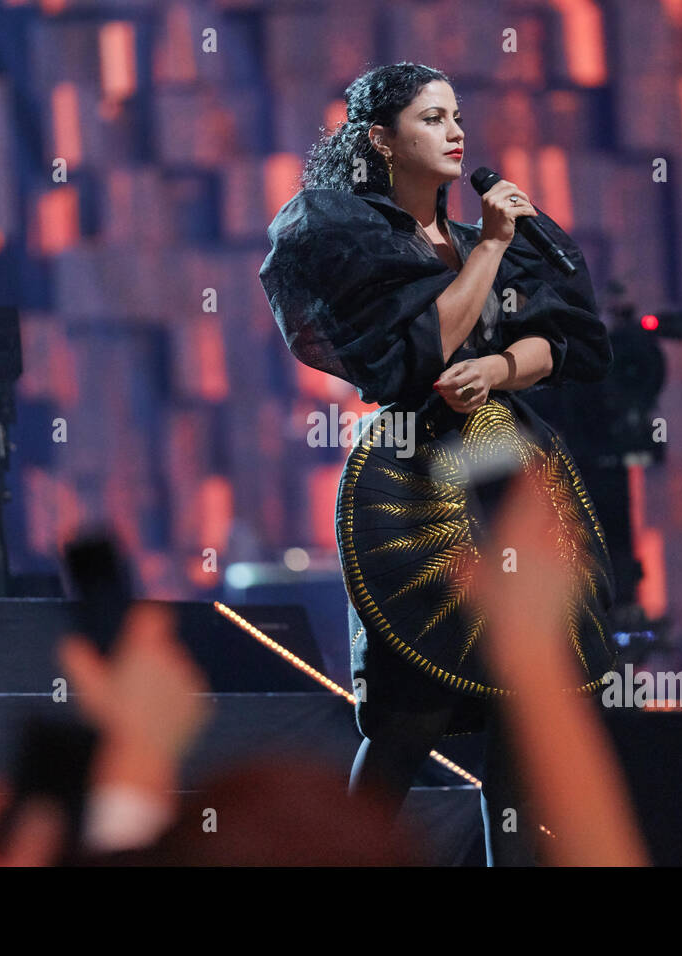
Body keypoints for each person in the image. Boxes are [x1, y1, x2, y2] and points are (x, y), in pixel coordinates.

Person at [258, 62, 618, 865]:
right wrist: (490, 246)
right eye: (431, 118)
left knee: (528, 706)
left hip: (503, 465)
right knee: (409, 712)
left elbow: (573, 346)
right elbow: (412, 355)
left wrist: (501, 369)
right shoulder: (348, 233)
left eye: (457, 114)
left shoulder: (473, 237)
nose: (456, 132)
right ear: (380, 139)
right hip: (413, 475)